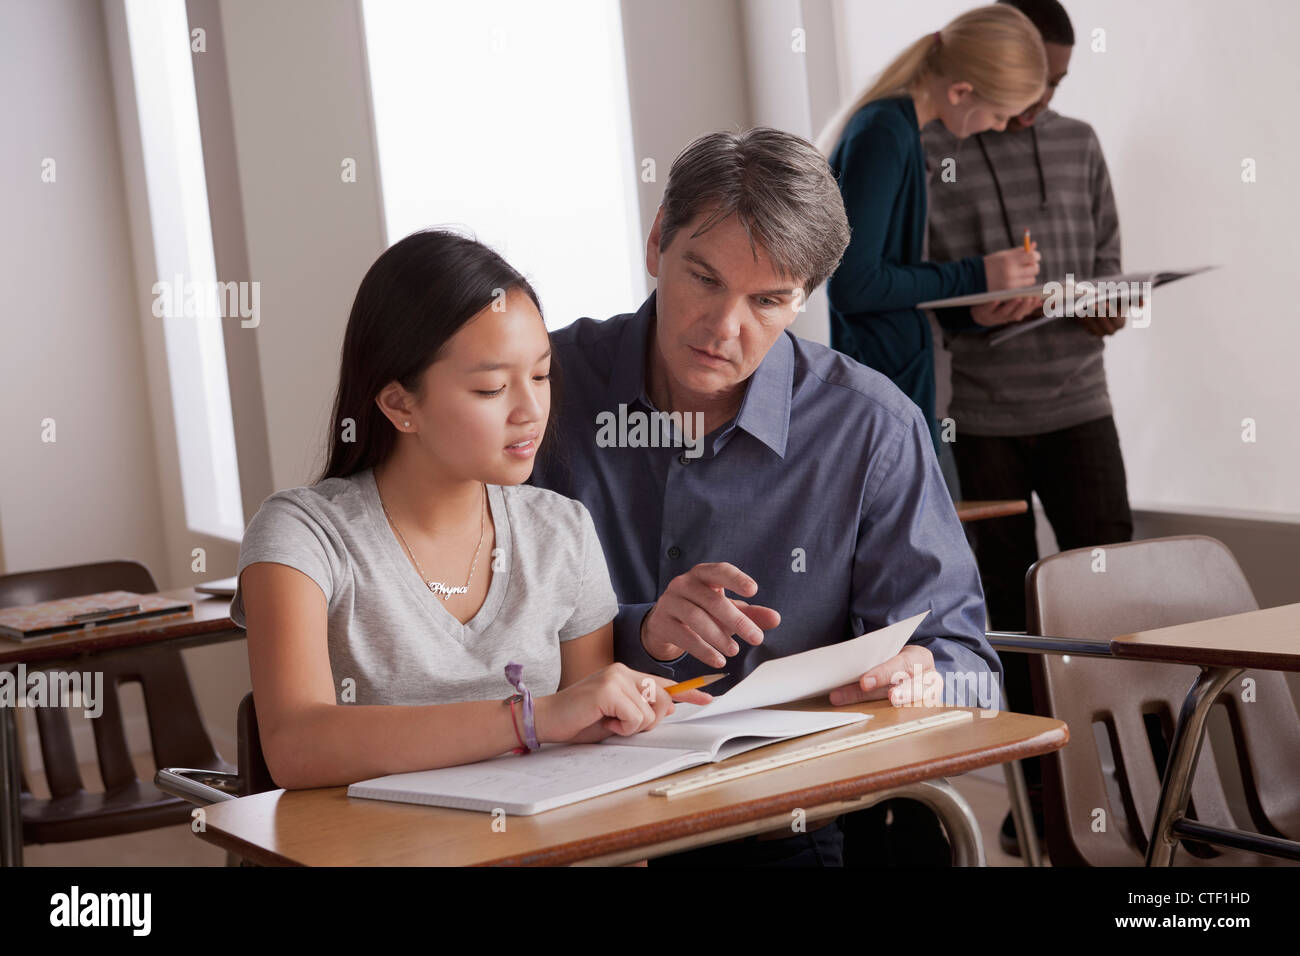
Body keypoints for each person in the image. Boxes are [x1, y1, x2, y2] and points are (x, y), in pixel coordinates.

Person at [529, 127, 999, 867]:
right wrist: (637, 634)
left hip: (787, 820)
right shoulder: (541, 388)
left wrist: (925, 675)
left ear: (805, 297)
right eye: (705, 278)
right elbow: (468, 636)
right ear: (657, 243)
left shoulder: (872, 429)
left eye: (769, 300)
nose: (724, 328)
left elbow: (976, 671)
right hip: (557, 803)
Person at [230, 230, 711, 791]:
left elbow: (596, 757)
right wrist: (531, 718)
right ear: (400, 403)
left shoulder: (562, 530)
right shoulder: (301, 536)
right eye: (490, 389)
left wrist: (624, 713)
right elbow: (296, 746)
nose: (531, 410)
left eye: (540, 375)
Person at [922, 0, 1133, 856]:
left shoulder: (1080, 142)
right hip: (983, 417)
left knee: (1123, 607)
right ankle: (1043, 807)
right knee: (1010, 614)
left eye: (1058, 81)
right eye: (1032, 79)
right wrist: (976, 310)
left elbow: (1113, 263)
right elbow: (913, 286)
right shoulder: (938, 144)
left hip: (1082, 404)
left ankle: (1153, 791)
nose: (1043, 98)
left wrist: (1108, 304)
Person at [817, 3, 1048, 491]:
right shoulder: (884, 132)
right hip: (888, 409)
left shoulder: (899, 128)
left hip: (903, 400)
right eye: (1001, 115)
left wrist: (973, 310)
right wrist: (978, 276)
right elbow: (854, 286)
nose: (1000, 127)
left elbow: (892, 286)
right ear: (962, 91)